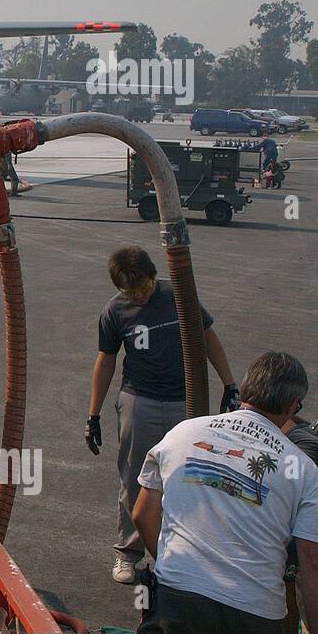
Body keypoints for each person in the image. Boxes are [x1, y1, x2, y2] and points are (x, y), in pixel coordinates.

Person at [133, 351, 318, 634]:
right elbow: (315, 560)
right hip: (255, 613)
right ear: (293, 406)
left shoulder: (182, 433)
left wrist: (174, 565)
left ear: (246, 389)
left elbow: (142, 514)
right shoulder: (301, 467)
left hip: (178, 600)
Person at [84, 245, 238, 585]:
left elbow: (207, 336)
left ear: (154, 276)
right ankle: (128, 552)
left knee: (189, 475)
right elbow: (106, 360)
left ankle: (185, 549)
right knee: (134, 477)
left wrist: (229, 383)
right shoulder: (114, 312)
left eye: (143, 289)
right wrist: (93, 414)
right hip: (140, 400)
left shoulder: (178, 296)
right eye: (130, 292)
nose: (139, 297)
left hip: (186, 399)